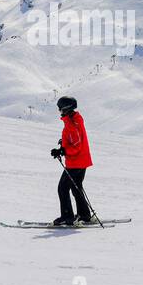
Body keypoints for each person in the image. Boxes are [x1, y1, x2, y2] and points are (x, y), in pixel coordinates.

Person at [50, 96, 94, 225]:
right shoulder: (75, 119)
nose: (60, 112)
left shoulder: (71, 123)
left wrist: (62, 150)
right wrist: (63, 143)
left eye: (60, 109)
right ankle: (84, 215)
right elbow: (74, 139)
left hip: (75, 162)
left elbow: (76, 145)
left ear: (66, 108)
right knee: (76, 188)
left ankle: (67, 217)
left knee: (62, 188)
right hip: (82, 160)